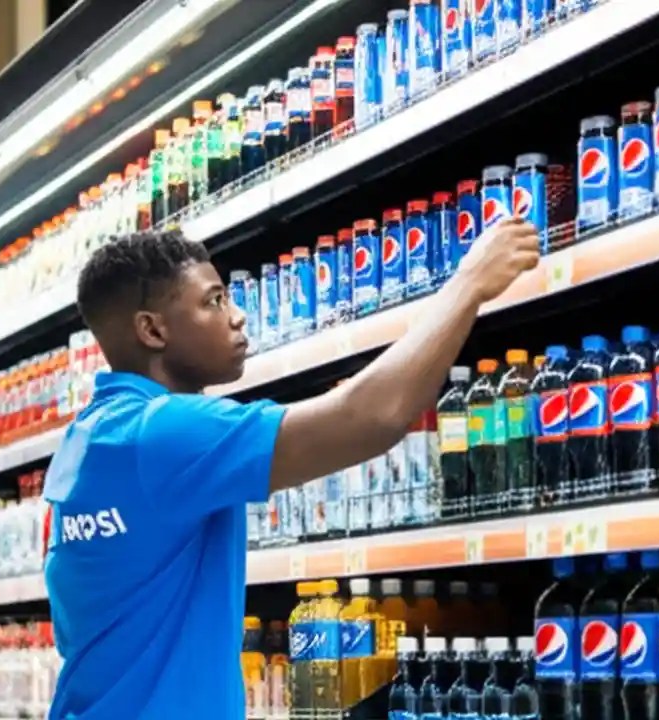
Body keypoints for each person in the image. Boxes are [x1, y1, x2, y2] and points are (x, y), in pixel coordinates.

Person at [41, 218, 540, 718]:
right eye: (213, 301)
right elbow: (370, 415)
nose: (236, 317)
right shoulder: (162, 433)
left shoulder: (89, 439)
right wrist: (469, 283)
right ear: (152, 329)